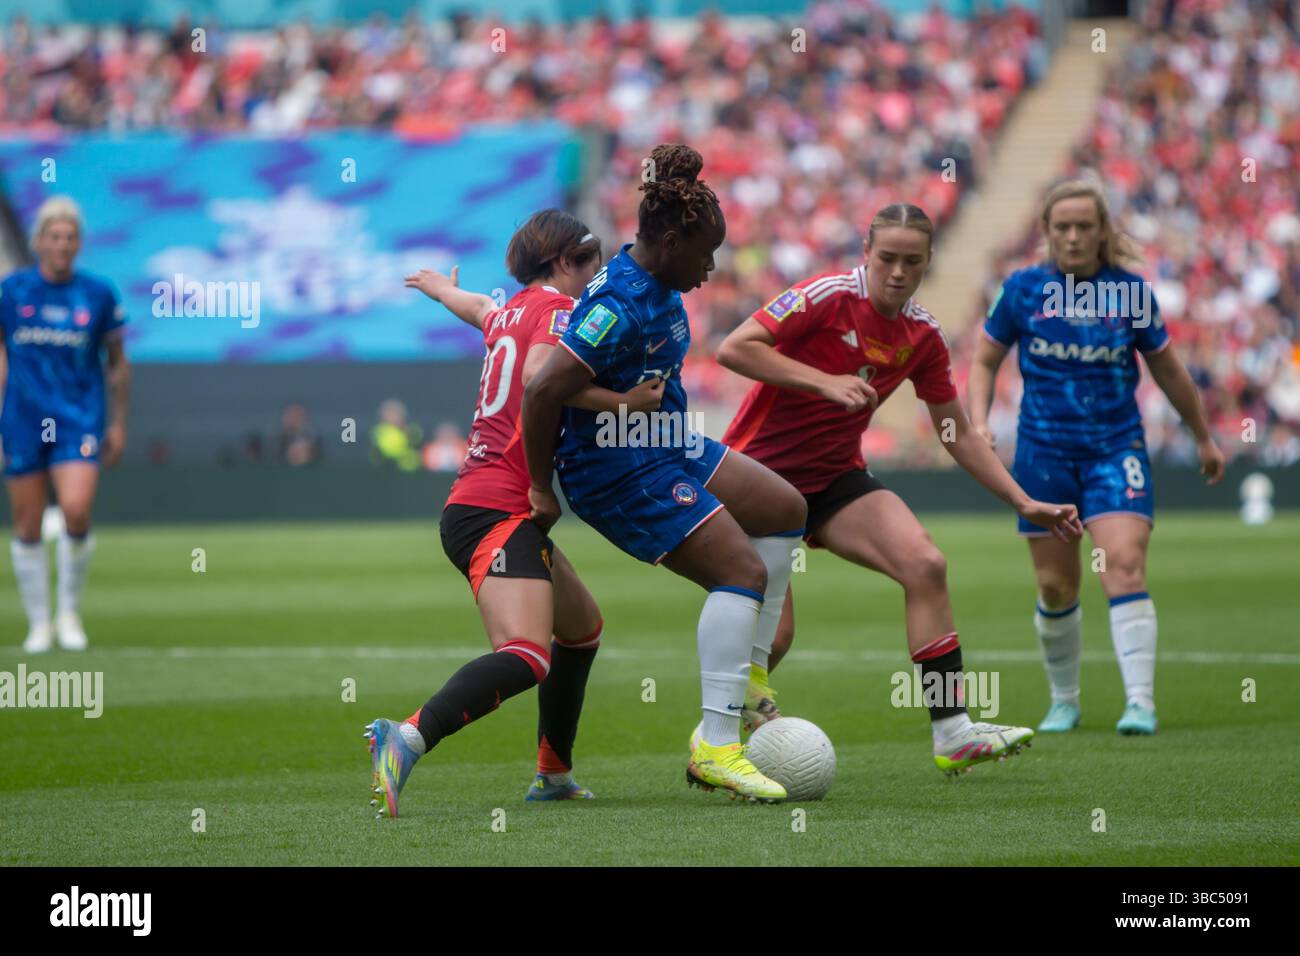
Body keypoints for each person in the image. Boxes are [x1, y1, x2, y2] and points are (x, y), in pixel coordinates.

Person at [716, 203, 1082, 776]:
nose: (897, 272)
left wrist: (1021, 499)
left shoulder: (922, 334)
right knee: (776, 636)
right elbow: (735, 348)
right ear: (866, 252)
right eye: (887, 258)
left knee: (926, 563)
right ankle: (712, 743)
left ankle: (953, 732)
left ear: (928, 262)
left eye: (912, 262)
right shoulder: (825, 296)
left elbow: (953, 428)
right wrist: (823, 382)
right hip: (757, 479)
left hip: (835, 478)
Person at [522, 144, 808, 803]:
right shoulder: (617, 307)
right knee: (742, 573)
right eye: (704, 255)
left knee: (786, 508)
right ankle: (716, 746)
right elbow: (542, 392)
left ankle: (752, 679)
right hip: (616, 469)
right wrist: (542, 488)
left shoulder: (658, 268)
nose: (710, 270)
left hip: (668, 441)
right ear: (672, 241)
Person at [364, 209, 662, 817]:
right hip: (495, 506)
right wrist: (623, 402)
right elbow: (537, 380)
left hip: (482, 502)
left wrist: (442, 288)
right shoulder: (558, 313)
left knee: (582, 631)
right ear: (561, 264)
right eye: (590, 263)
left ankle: (552, 775)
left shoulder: (511, 311)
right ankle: (407, 737)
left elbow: (477, 309)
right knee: (527, 653)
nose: (598, 275)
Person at [967, 179, 1225, 736]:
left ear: (1103, 231)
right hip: (1043, 453)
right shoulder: (1021, 290)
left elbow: (1169, 369)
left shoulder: (1131, 293)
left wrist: (1202, 435)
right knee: (1056, 586)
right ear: (1048, 233)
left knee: (1123, 565)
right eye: (1063, 226)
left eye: (1085, 225)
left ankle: (1141, 703)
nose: (1074, 235)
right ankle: (1065, 701)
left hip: (1115, 449)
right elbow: (984, 360)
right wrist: (980, 420)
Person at [1, 196, 130, 653]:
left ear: (78, 244)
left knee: (75, 510)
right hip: (22, 419)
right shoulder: (11, 292)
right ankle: (39, 623)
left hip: (78, 419)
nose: (62, 244)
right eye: (54, 236)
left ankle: (69, 611)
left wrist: (118, 424)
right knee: (28, 524)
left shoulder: (98, 294)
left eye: (70, 237)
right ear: (38, 242)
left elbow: (117, 363)